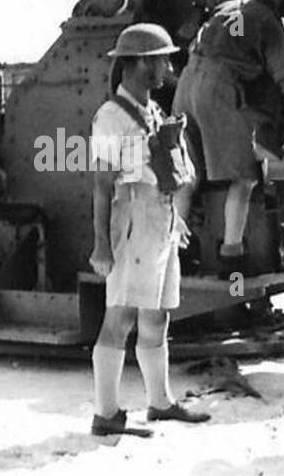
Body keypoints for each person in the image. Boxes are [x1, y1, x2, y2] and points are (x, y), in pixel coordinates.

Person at [88, 24, 211, 437]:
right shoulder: (111, 117)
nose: (167, 66)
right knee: (119, 318)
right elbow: (102, 186)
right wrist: (101, 246)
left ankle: (160, 402)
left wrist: (177, 222)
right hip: (134, 220)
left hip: (161, 222)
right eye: (160, 58)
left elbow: (171, 171)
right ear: (138, 62)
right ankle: (106, 414)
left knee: (157, 317)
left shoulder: (152, 111)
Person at [174, 0, 284, 278]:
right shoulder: (269, 23)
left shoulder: (232, 6)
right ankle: (232, 257)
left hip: (187, 85)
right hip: (221, 91)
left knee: (188, 174)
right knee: (245, 177)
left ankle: (174, 252)